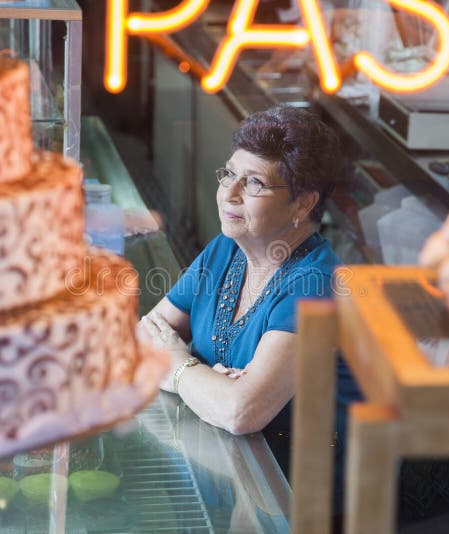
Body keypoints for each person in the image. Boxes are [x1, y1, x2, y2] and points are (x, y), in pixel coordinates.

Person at [138, 105, 362, 529]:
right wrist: (208, 383)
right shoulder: (228, 249)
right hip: (233, 470)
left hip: (299, 504)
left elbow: (242, 412)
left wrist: (179, 365)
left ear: (303, 203)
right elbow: (144, 335)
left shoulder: (315, 286)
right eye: (229, 174)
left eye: (254, 182)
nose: (229, 193)